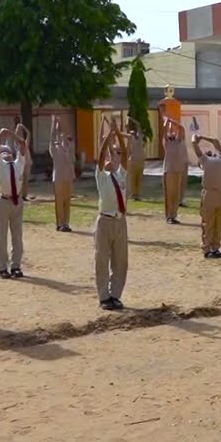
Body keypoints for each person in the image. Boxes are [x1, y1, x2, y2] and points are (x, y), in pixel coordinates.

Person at [94, 116, 130, 311]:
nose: (112, 157)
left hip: (120, 221)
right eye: (111, 154)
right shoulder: (101, 176)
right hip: (105, 221)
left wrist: (117, 133)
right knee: (102, 259)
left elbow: (124, 154)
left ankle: (115, 295)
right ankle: (103, 296)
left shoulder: (121, 174)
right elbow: (100, 158)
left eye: (115, 154)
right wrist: (108, 137)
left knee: (121, 261)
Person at [0, 126, 30, 279]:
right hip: (4, 200)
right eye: (3, 152)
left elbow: (23, 144)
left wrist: (12, 135)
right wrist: (2, 132)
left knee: (17, 235)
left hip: (17, 201)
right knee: (1, 235)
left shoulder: (18, 163)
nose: (5, 153)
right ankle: (2, 267)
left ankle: (16, 266)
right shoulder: (0, 165)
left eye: (7, 151)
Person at [193, 134, 221, 259]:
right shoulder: (205, 160)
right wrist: (195, 139)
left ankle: (215, 248)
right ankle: (207, 249)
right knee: (208, 223)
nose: (208, 152)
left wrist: (202, 137)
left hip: (220, 193)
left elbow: (216, 142)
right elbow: (195, 146)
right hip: (209, 194)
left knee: (219, 223)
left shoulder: (219, 157)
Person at [49, 117, 76, 233]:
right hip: (59, 178)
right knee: (59, 202)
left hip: (68, 177)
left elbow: (72, 159)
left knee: (67, 201)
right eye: (60, 137)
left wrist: (63, 126)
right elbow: (51, 139)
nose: (63, 138)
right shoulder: (54, 149)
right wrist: (53, 125)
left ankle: (66, 223)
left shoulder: (69, 149)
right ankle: (60, 223)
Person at [162, 117, 188, 224]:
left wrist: (172, 121)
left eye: (173, 132)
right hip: (169, 171)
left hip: (179, 170)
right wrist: (166, 122)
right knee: (170, 194)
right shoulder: (167, 143)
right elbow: (164, 130)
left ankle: (174, 215)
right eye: (170, 132)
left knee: (176, 195)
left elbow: (181, 129)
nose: (172, 132)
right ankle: (169, 216)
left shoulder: (179, 141)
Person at [126, 118, 146, 200]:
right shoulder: (130, 140)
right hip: (133, 161)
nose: (133, 134)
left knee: (139, 178)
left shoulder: (140, 138)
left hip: (140, 161)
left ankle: (137, 194)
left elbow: (139, 127)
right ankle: (134, 194)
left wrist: (132, 119)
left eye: (134, 133)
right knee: (133, 179)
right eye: (132, 133)